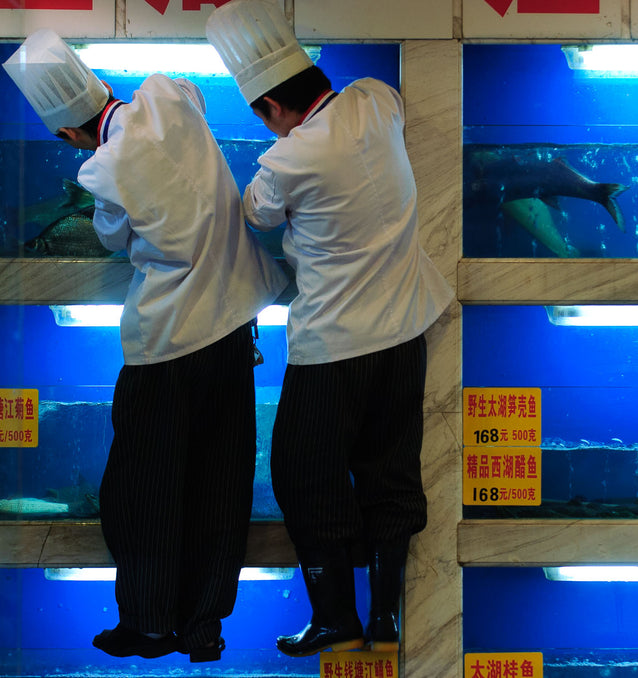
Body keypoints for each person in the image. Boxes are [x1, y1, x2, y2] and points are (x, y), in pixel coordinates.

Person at [2, 29, 289, 663]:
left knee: (141, 490)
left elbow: (110, 238)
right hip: (233, 333)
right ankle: (203, 629)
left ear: (65, 134)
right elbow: (190, 99)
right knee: (222, 485)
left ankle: (150, 624)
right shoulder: (169, 95)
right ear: (103, 87)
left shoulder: (101, 168)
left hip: (166, 344)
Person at [206, 0, 455, 659]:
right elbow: (383, 119)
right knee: (390, 471)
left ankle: (334, 616)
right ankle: (386, 616)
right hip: (405, 329)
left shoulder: (285, 163)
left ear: (269, 110)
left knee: (301, 473)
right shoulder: (376, 100)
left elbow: (257, 215)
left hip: (335, 345)